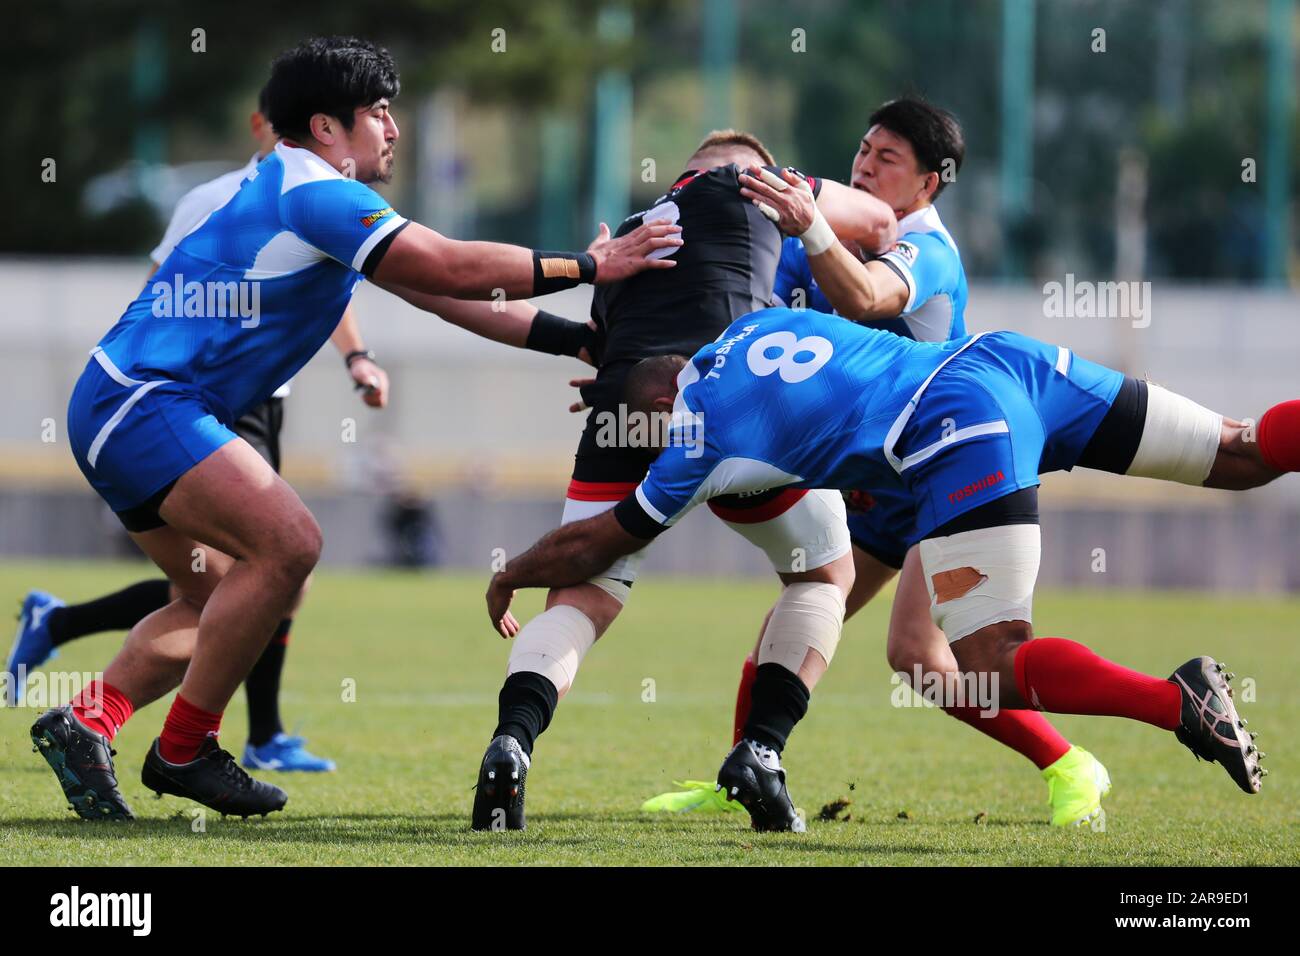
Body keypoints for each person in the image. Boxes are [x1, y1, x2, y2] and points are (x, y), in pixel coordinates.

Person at [30, 35, 681, 821]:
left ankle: (86, 720)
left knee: (215, 599)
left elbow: (445, 296)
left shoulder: (304, 196)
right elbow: (446, 265)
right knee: (291, 546)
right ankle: (184, 751)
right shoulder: (315, 193)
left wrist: (575, 339)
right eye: (378, 113)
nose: (393, 129)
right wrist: (587, 266)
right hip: (148, 403)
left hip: (122, 402)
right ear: (326, 127)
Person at [487, 306, 1291, 827]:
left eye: (646, 432)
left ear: (660, 409)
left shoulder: (696, 426)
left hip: (957, 425)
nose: (653, 450)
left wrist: (510, 570)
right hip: (1014, 361)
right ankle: (755, 755)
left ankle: (1173, 700)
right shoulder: (752, 329)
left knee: (984, 662)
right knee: (1244, 452)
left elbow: (605, 541)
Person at [646, 98, 1109, 828]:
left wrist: (810, 225)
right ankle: (746, 766)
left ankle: (1069, 763)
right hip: (872, 484)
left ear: (927, 185)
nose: (863, 165)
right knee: (796, 616)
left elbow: (867, 301)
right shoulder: (821, 243)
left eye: (886, 159)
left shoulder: (928, 251)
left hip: (943, 472)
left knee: (918, 655)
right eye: (863, 150)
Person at [469, 128, 900, 831]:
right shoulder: (756, 185)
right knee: (823, 577)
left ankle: (512, 741)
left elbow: (608, 343)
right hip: (741, 401)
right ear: (752, 169)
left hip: (627, 406)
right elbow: (880, 223)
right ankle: (761, 748)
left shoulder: (633, 234)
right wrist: (812, 219)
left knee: (584, 595)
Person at [7, 86, 391, 773]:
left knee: (236, 582)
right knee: (267, 567)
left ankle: (86, 687)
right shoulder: (216, 197)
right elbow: (162, 291)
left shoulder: (324, 201)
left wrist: (356, 356)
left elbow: (323, 284)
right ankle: (231, 738)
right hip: (195, 401)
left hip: (255, 399)